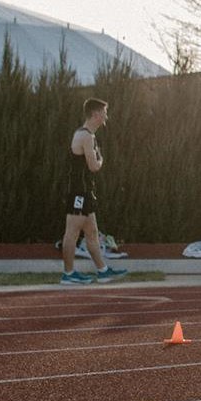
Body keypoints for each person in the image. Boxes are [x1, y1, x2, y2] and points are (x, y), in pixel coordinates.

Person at [59, 98, 128, 286]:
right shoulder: (85, 137)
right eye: (104, 112)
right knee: (72, 233)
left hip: (86, 191)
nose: (106, 116)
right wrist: (101, 160)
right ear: (96, 114)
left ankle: (103, 271)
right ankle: (68, 274)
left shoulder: (89, 135)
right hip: (79, 192)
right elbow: (93, 166)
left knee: (92, 233)